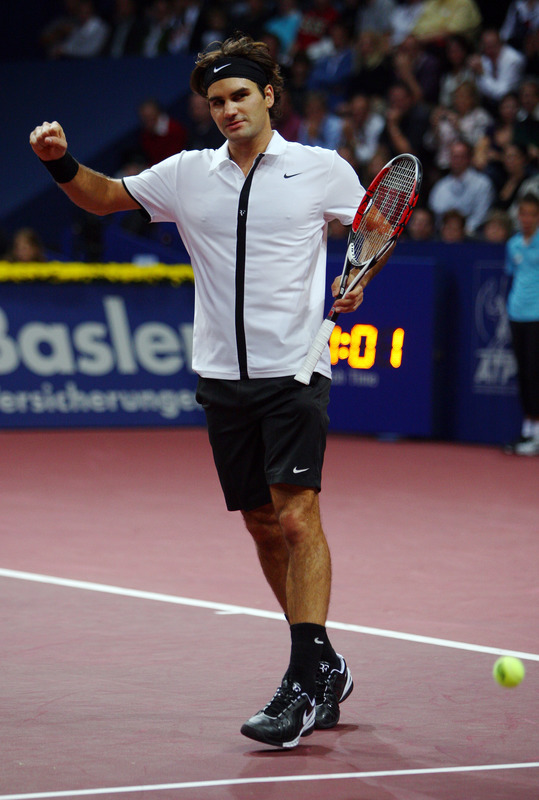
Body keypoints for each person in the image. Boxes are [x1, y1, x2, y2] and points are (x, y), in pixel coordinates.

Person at [30, 32, 393, 749]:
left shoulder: (321, 168)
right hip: (222, 376)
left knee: (297, 518)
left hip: (295, 369)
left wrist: (360, 277)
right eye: (217, 100)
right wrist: (59, 162)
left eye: (240, 95)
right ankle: (323, 661)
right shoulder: (187, 173)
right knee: (261, 522)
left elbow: (375, 229)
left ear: (269, 96)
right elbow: (105, 197)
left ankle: (301, 680)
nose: (228, 109)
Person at [504, 193, 539, 455]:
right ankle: (528, 430)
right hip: (516, 314)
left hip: (537, 317)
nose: (526, 219)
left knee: (535, 373)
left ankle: (536, 434)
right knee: (524, 374)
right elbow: (514, 275)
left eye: (532, 214)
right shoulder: (513, 244)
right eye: (523, 213)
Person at [428, 139, 495, 235]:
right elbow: (436, 214)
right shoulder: (440, 186)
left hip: (473, 237)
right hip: (443, 237)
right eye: (454, 156)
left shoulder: (482, 184)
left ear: (469, 158)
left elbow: (481, 215)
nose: (457, 161)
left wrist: (462, 232)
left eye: (461, 157)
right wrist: (448, 231)